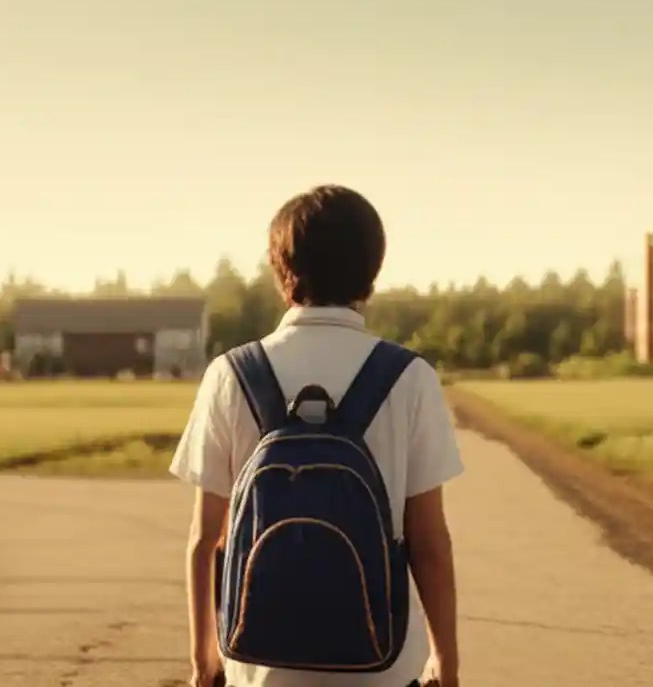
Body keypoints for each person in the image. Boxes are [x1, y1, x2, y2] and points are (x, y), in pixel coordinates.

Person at [170, 185, 464, 687]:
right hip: (382, 665)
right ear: (372, 270)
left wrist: (204, 662)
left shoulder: (230, 374)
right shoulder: (410, 378)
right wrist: (447, 664)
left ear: (280, 269)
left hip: (259, 665)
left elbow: (206, 541)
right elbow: (429, 543)